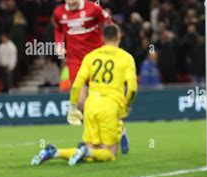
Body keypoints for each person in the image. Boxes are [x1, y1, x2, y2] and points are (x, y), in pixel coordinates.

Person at [31, 25, 138, 166]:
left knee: (92, 151)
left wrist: (73, 107)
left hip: (91, 105)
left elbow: (76, 85)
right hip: (111, 105)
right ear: (119, 37)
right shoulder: (126, 58)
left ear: (102, 38)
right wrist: (127, 106)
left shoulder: (91, 56)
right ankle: (85, 151)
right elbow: (132, 88)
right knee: (110, 154)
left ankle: (55, 152)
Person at [52, 0, 129, 153]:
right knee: (82, 102)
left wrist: (111, 46)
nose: (71, 2)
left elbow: (109, 23)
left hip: (96, 60)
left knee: (102, 101)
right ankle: (95, 137)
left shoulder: (93, 9)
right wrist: (59, 44)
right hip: (75, 61)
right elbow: (57, 29)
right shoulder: (59, 12)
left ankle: (119, 130)